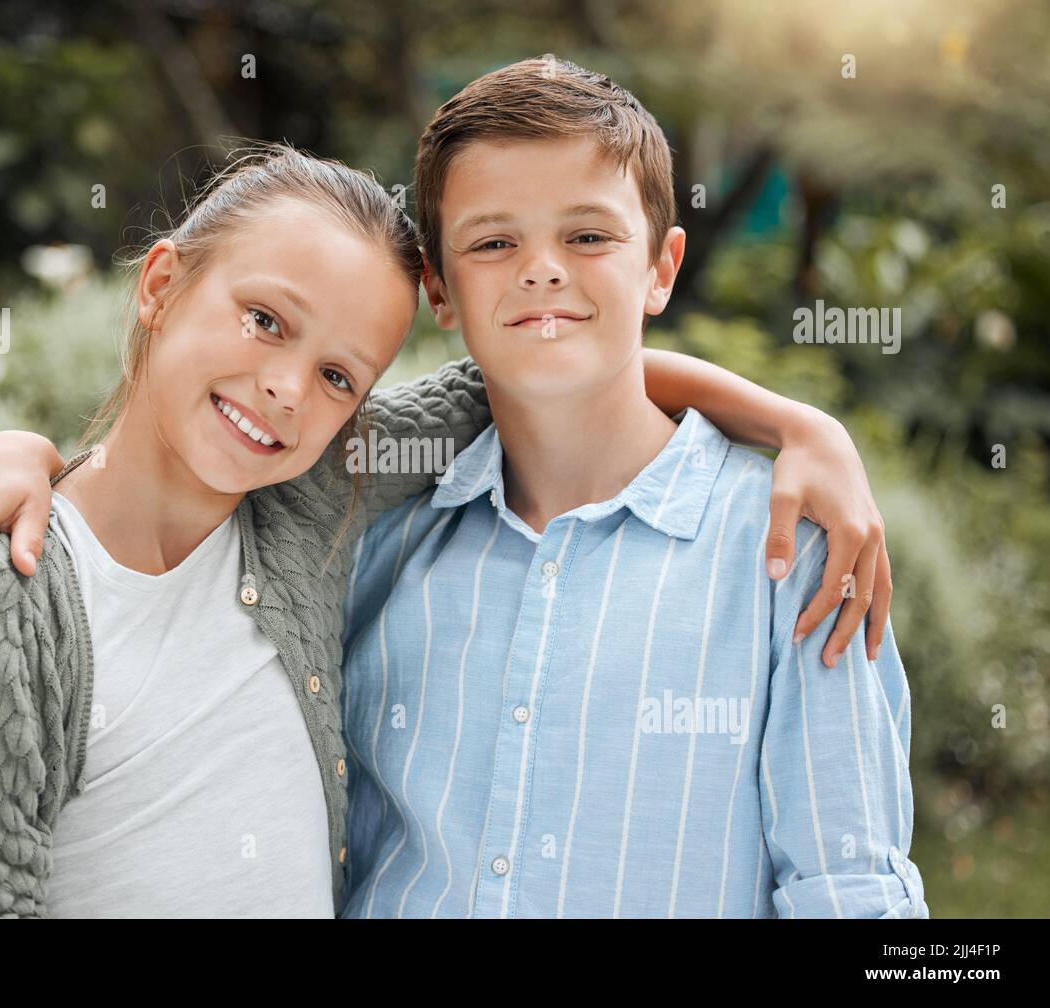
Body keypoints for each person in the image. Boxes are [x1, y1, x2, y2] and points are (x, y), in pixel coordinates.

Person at [0, 140, 895, 917]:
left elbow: (545, 371)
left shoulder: (308, 502)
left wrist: (802, 426)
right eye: (264, 319)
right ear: (159, 286)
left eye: (338, 377)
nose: (284, 389)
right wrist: (21, 447)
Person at [339, 56, 926, 917]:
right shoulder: (377, 543)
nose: (541, 270)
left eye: (587, 236)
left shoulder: (792, 553)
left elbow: (851, 892)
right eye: (494, 242)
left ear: (661, 266)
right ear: (439, 287)